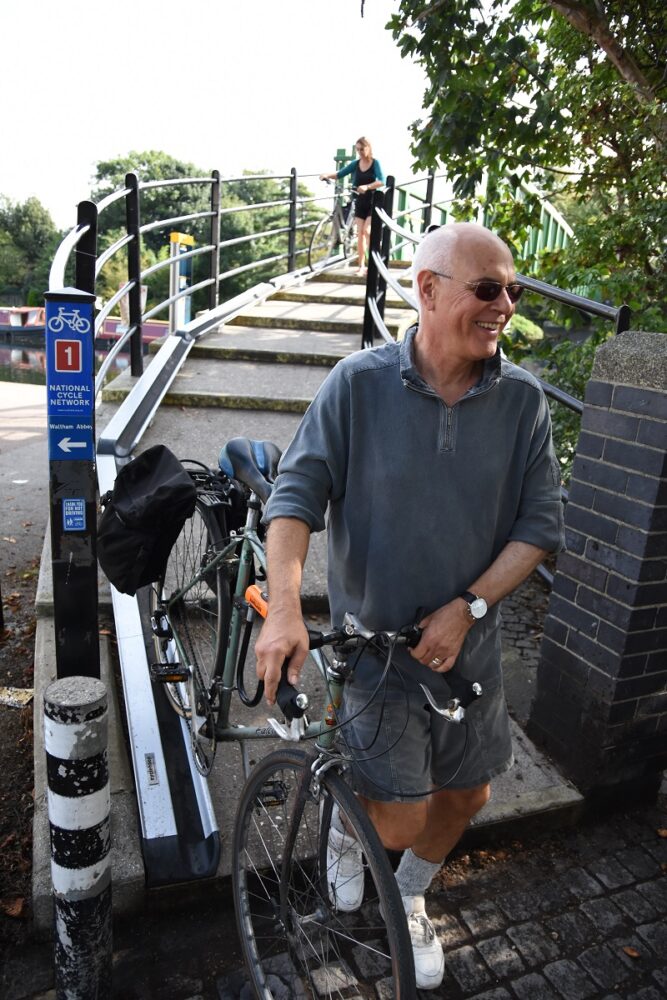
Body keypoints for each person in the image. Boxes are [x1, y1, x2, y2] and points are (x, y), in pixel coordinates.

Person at [255, 222, 564, 990]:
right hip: (376, 650)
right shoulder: (356, 385)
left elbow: (539, 526)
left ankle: (409, 893)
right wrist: (286, 608)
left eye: (512, 291)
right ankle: (346, 836)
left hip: (471, 650)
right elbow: (294, 499)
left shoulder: (522, 400)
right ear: (426, 291)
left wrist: (470, 607)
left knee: (468, 794)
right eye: (486, 288)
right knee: (394, 815)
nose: (505, 306)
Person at [320, 136, 385, 275]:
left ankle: (374, 263)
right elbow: (340, 174)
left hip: (373, 201)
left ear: (368, 148)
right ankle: (361, 266)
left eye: (362, 149)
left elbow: (382, 181)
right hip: (360, 201)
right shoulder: (356, 164)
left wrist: (367, 187)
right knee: (360, 233)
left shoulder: (375, 163)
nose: (360, 152)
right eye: (358, 149)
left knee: (367, 231)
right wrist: (326, 175)